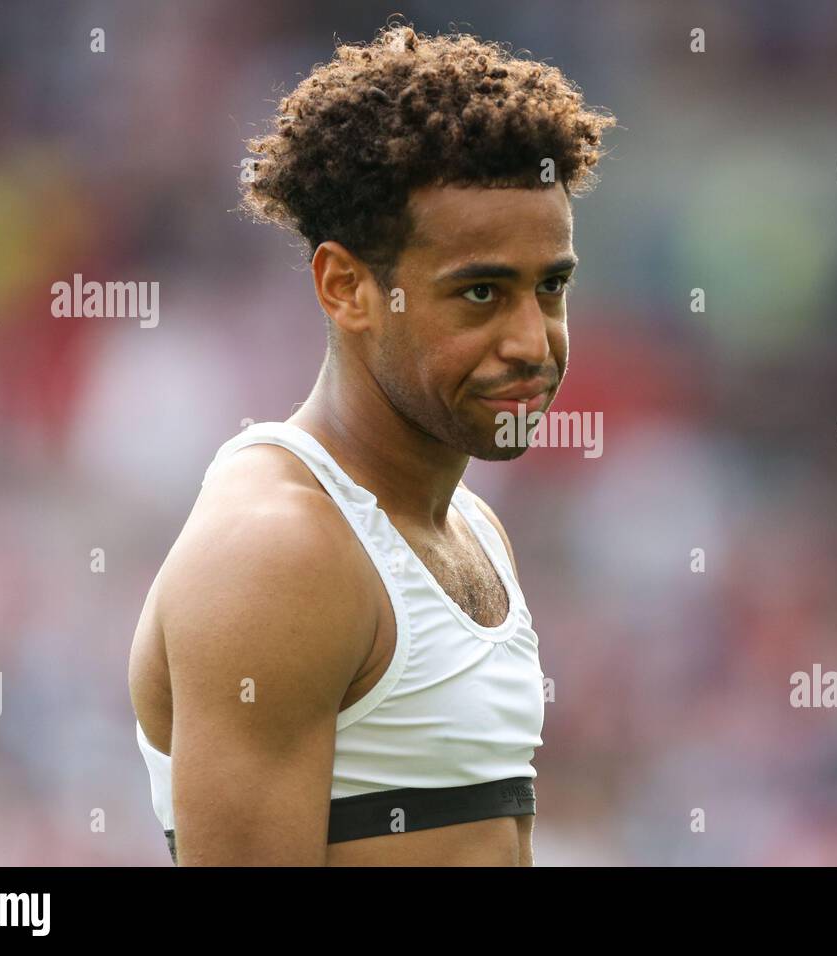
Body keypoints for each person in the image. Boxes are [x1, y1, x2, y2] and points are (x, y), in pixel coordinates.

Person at [127, 24, 614, 865]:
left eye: (552, 287)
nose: (533, 341)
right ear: (346, 288)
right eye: (481, 293)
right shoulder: (280, 549)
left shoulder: (472, 529)